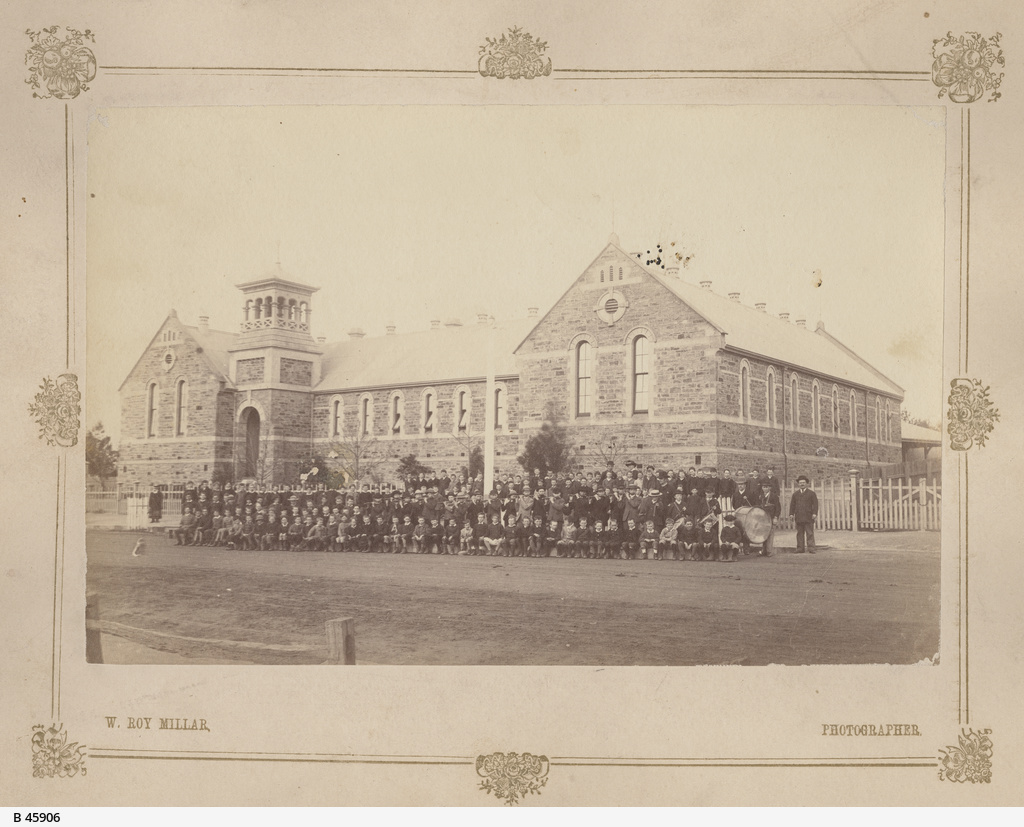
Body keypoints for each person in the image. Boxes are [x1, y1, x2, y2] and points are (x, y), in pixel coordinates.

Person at [789, 475, 818, 553]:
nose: (802, 484)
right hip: (799, 517)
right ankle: (800, 548)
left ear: (807, 483)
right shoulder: (795, 494)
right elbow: (792, 505)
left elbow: (815, 504)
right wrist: (791, 514)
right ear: (798, 484)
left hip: (808, 516)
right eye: (800, 483)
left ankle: (811, 548)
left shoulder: (811, 493)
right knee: (799, 533)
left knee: (810, 533)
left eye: (803, 482)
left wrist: (814, 513)